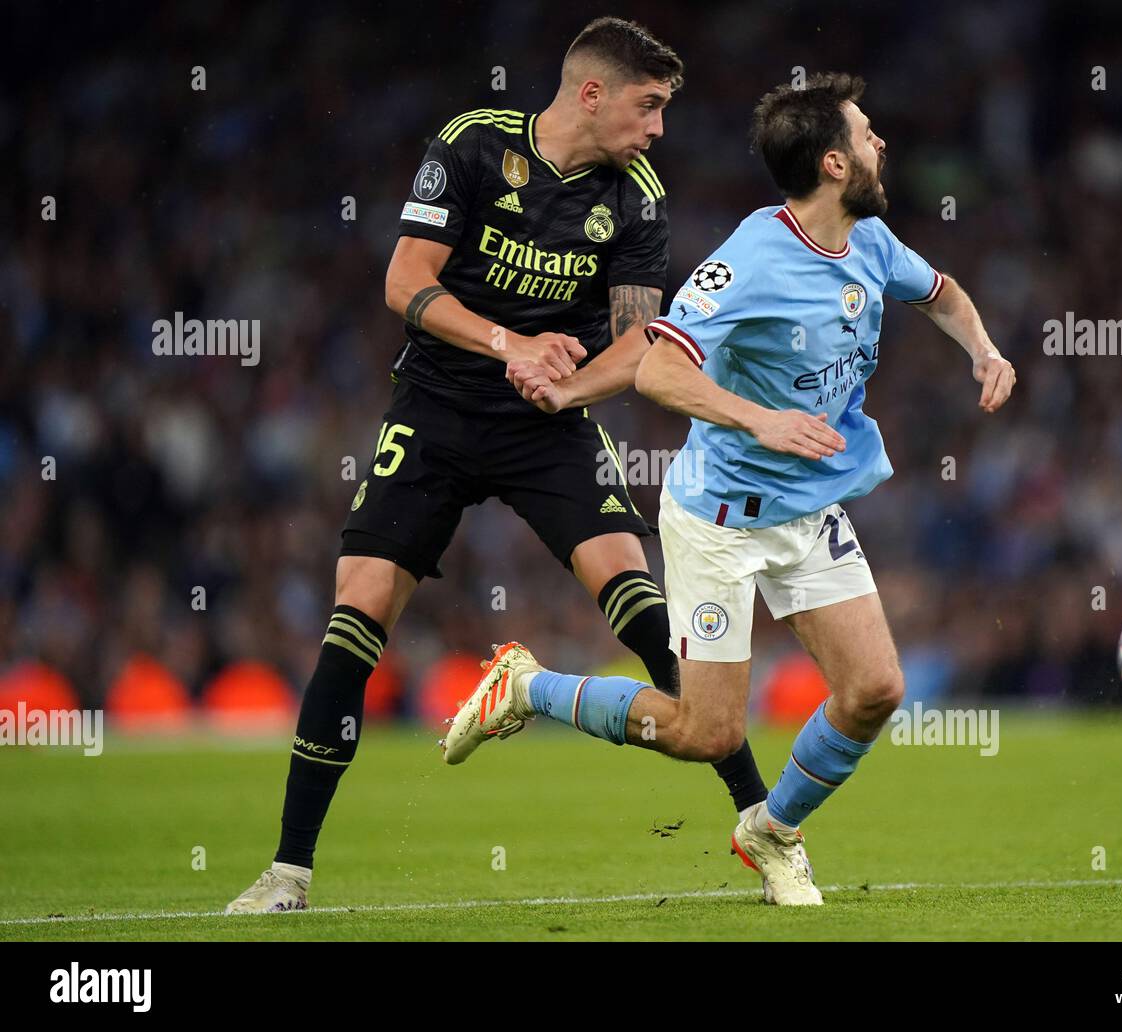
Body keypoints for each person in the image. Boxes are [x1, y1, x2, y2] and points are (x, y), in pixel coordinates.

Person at [226, 17, 770, 915]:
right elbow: (405, 283)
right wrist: (509, 343)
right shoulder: (474, 147)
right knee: (354, 625)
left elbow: (637, 344)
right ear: (591, 93)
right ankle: (287, 874)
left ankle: (760, 821)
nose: (659, 128)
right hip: (436, 412)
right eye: (649, 105)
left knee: (643, 610)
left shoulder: (636, 196)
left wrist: (564, 387)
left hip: (549, 422)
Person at [441, 72, 1017, 906]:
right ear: (831, 163)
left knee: (876, 690)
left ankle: (770, 831)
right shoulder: (752, 256)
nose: (880, 143)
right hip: (719, 516)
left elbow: (942, 295)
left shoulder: (872, 241)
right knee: (703, 731)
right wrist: (761, 420)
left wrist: (984, 351)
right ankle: (527, 686)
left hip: (807, 507)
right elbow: (660, 367)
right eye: (865, 133)